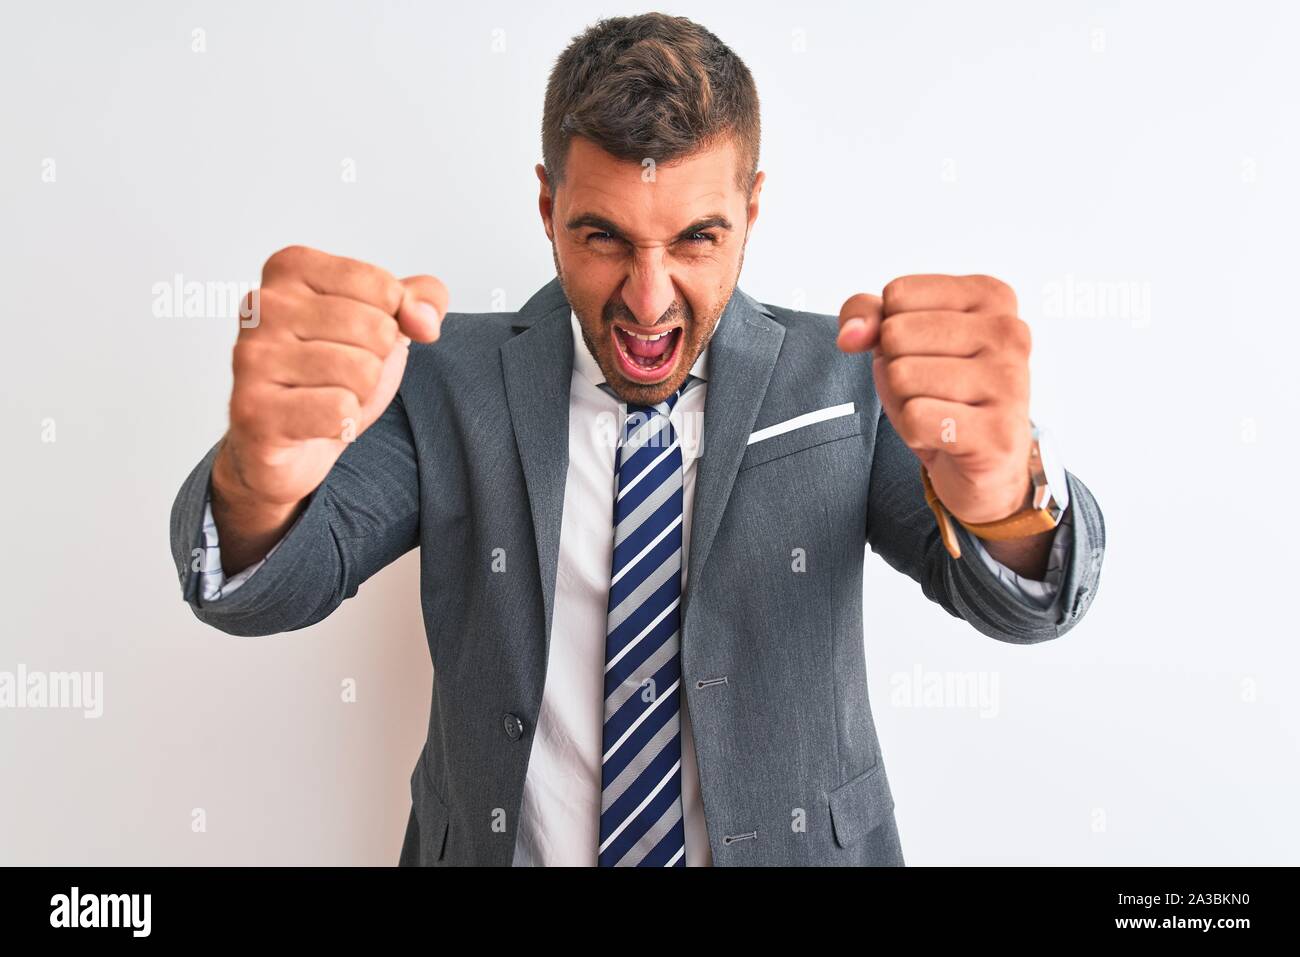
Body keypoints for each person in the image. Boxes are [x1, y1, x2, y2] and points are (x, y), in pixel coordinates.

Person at [169, 12, 1105, 866]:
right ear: (547, 209)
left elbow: (1027, 603)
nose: (649, 301)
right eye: (603, 236)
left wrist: (1004, 494)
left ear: (752, 207)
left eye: (697, 238)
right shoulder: (442, 376)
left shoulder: (846, 378)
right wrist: (258, 482)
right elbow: (258, 594)